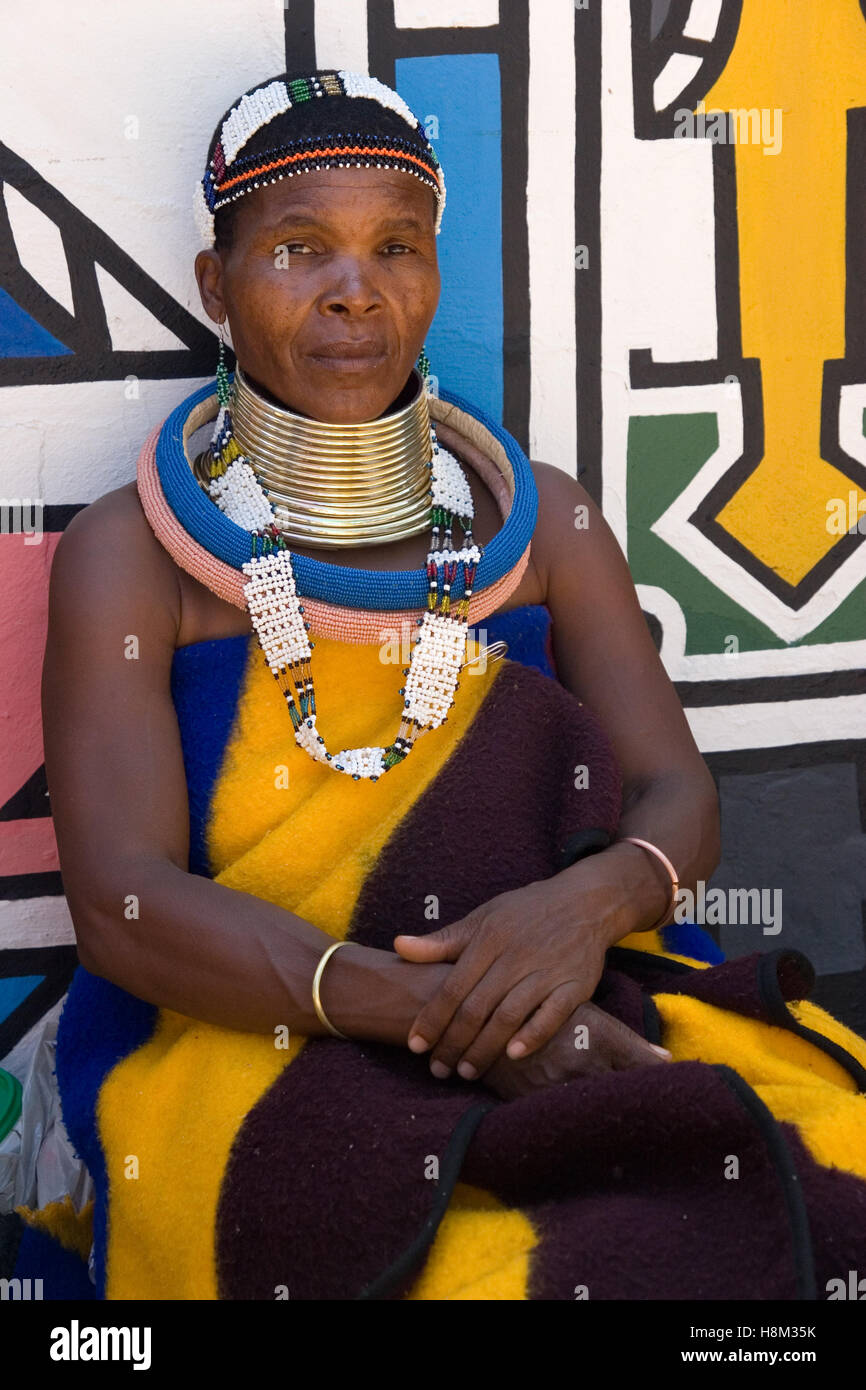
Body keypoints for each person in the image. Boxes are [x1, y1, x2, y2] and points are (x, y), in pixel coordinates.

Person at [37, 69, 866, 1301]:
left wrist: (575, 918)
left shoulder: (542, 521)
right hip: (257, 1028)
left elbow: (671, 794)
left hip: (568, 978)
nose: (354, 291)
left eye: (395, 249)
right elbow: (124, 906)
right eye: (298, 248)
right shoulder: (140, 550)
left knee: (820, 1174)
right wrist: (461, 1018)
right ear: (217, 285)